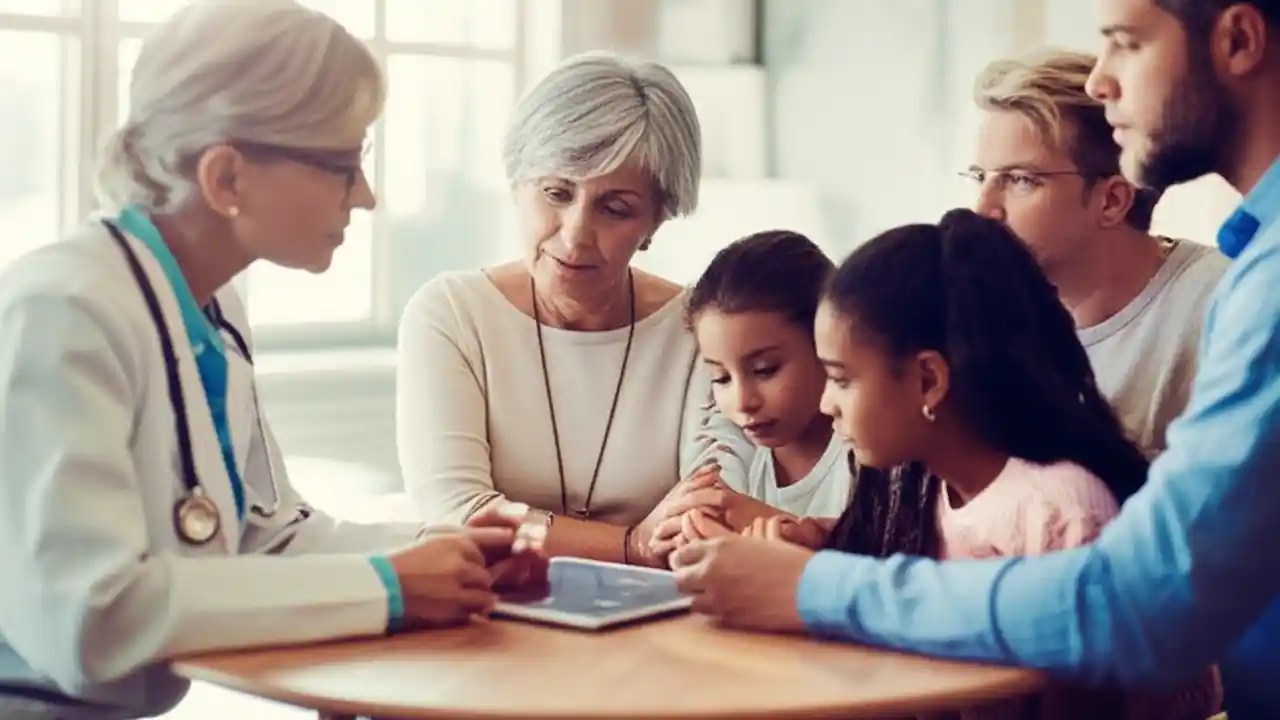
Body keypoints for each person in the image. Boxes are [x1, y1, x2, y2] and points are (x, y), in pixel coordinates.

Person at [671, 0, 1280, 716]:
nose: (1101, 81)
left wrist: (813, 590)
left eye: (1126, 43)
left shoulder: (1241, 295)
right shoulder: (1252, 265)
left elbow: (1140, 599)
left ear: (1239, 40)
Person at [0, 2, 543, 718]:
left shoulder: (210, 306)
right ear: (226, 178)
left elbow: (265, 535)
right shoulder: (60, 310)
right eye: (344, 167)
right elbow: (91, 617)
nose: (369, 198)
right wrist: (386, 588)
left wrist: (435, 547)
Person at [396, 52, 753, 569]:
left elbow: (705, 515)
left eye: (616, 208)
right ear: (518, 187)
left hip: (657, 618)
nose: (575, 234)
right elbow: (461, 513)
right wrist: (630, 544)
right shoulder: (450, 315)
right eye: (557, 193)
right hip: (487, 616)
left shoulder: (699, 329)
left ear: (657, 219)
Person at [968, 48, 1229, 456]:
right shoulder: (992, 322)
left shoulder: (1223, 302)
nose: (983, 208)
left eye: (1020, 180)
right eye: (981, 177)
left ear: (1111, 201)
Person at [653, 231, 848, 550]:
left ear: (827, 343)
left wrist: (772, 527)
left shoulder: (869, 451)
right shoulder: (727, 442)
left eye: (765, 370)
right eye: (721, 377)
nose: (743, 402)